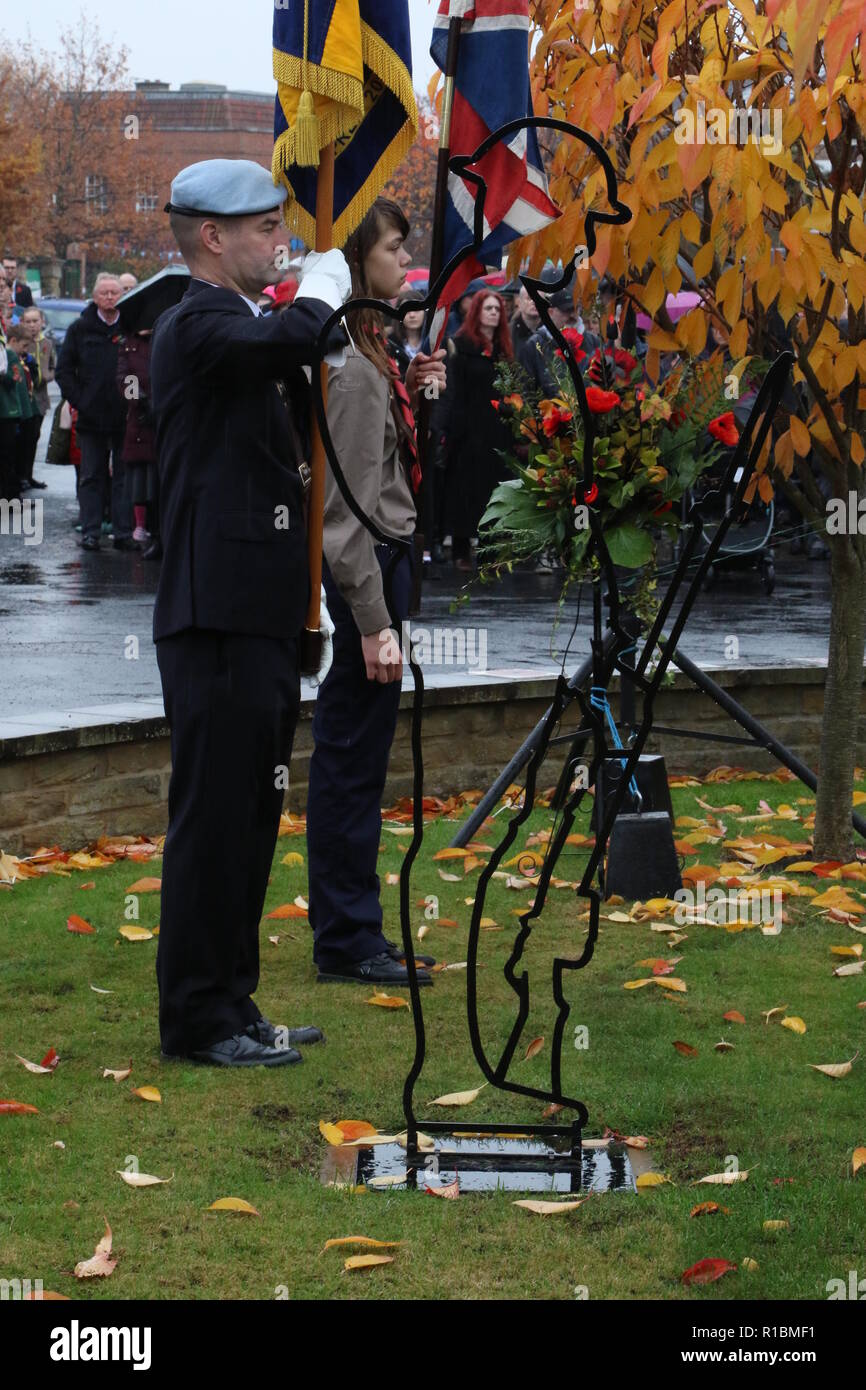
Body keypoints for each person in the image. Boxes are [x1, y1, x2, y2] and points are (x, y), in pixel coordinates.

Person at [150, 157, 349, 1067]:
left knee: (251, 818)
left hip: (257, 613)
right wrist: (320, 299)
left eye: (280, 225)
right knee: (216, 820)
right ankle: (198, 1017)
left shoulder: (242, 324)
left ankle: (234, 1004)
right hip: (218, 616)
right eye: (265, 227)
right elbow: (284, 342)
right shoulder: (199, 320)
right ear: (211, 238)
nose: (281, 239)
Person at [306, 196, 446, 987]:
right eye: (394, 248)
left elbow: (388, 472)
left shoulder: (376, 356)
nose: (404, 262)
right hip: (371, 575)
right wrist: (370, 618)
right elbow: (346, 512)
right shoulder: (355, 370)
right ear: (361, 262)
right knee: (351, 764)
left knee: (358, 757)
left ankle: (353, 929)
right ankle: (348, 938)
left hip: (386, 566)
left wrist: (419, 392)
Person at [56, 273, 134, 551]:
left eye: (115, 293)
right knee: (91, 475)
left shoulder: (130, 325)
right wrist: (79, 400)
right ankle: (91, 531)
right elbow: (64, 371)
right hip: (91, 417)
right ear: (95, 297)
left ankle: (123, 531)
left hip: (125, 416)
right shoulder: (80, 328)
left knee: (124, 476)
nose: (110, 297)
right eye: (105, 293)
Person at [439, 289, 514, 570]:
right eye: (488, 308)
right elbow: (455, 389)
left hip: (496, 429)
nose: (494, 312)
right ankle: (461, 549)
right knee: (464, 490)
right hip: (467, 428)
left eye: (498, 308)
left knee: (492, 489)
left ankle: (489, 548)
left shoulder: (503, 349)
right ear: (477, 312)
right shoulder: (461, 345)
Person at [116, 327, 158, 546]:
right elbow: (124, 378)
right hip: (139, 416)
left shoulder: (165, 337)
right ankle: (140, 525)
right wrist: (141, 400)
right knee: (141, 475)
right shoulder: (129, 346)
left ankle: (159, 529)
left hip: (164, 414)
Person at [17, 306, 55, 490]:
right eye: (28, 321)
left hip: (40, 398)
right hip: (25, 397)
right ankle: (20, 476)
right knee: (24, 438)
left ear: (42, 322)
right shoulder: (21, 343)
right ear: (22, 322)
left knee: (34, 437)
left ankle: (28, 475)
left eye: (35, 321)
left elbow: (54, 366)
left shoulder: (47, 343)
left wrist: (47, 375)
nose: (32, 325)